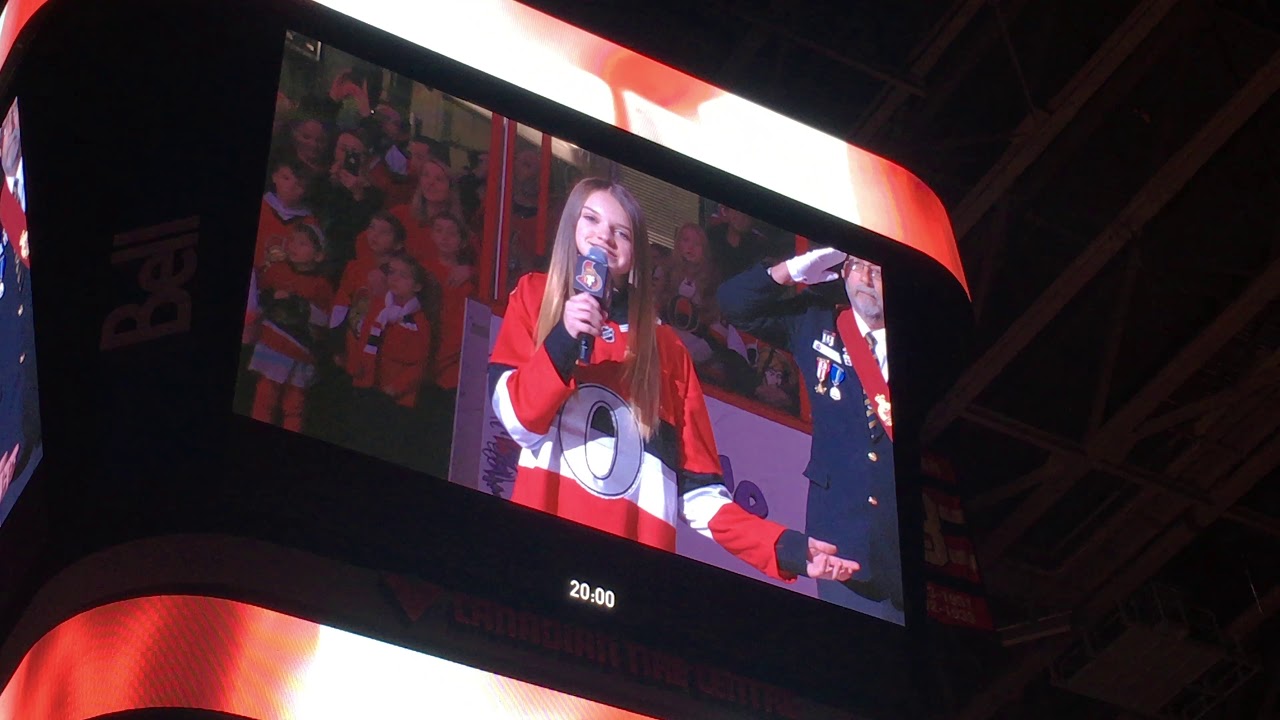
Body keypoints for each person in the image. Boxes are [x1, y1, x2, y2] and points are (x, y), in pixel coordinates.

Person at [488, 178, 858, 584]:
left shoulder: (669, 350)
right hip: (544, 556)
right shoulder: (535, 297)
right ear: (571, 225)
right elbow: (518, 422)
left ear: (636, 252)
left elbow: (701, 496)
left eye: (621, 232)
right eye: (591, 218)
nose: (604, 237)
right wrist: (563, 336)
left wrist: (785, 549)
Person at [717, 246, 902, 618]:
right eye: (857, 266)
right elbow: (733, 304)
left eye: (878, 272)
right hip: (840, 544)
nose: (865, 280)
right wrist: (793, 269)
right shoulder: (818, 320)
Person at [248, 224, 334, 432]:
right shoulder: (276, 270)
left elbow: (325, 319)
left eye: (303, 243)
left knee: (294, 404)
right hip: (273, 344)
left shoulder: (321, 285)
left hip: (300, 351)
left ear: (319, 255)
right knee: (265, 396)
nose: (294, 246)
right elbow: (258, 298)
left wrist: (296, 303)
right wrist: (271, 298)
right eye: (293, 240)